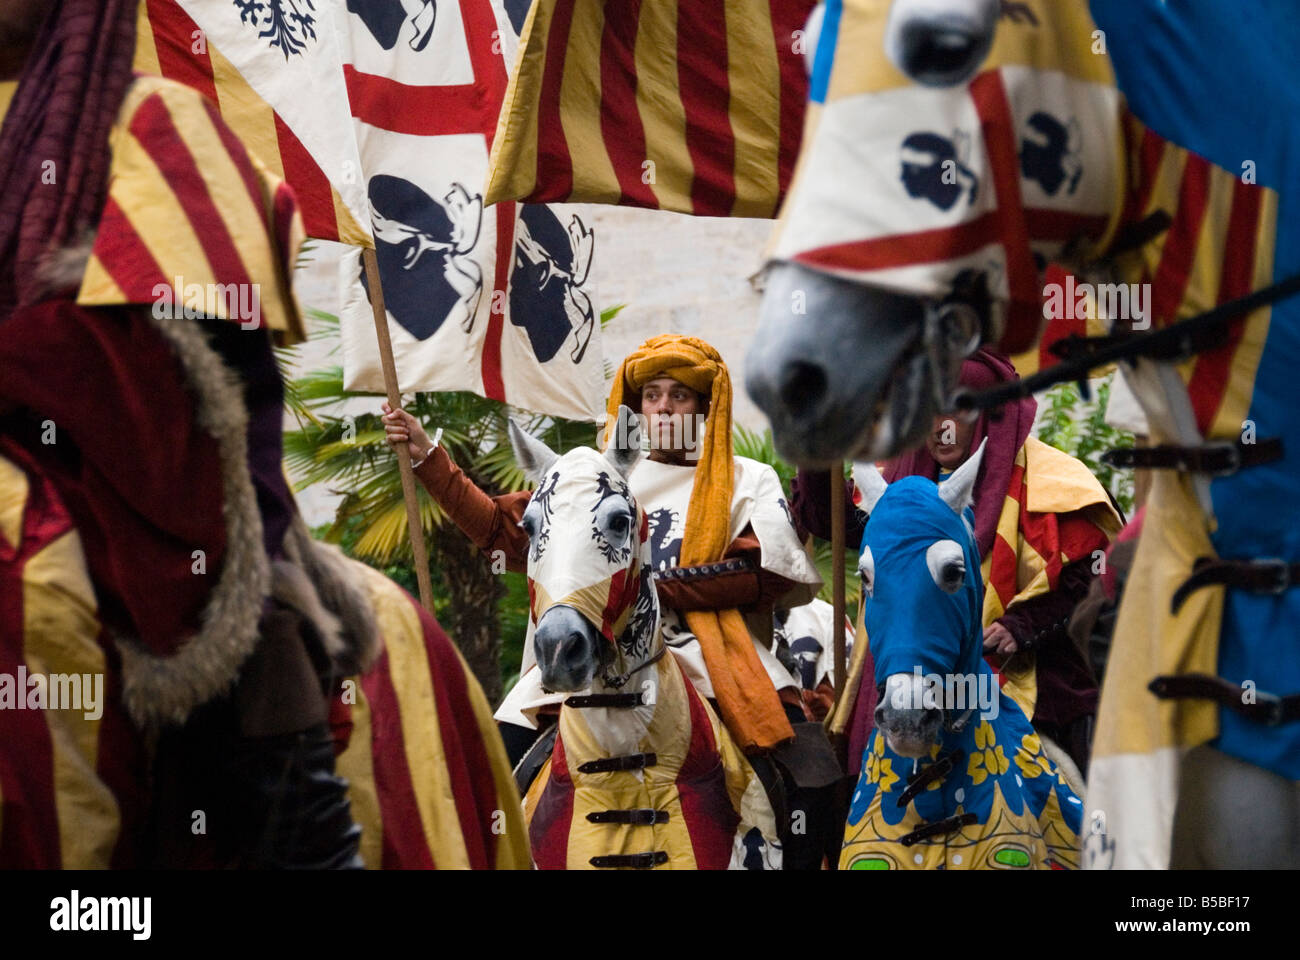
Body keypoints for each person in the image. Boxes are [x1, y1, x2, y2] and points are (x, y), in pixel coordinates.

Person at [0, 0, 526, 869]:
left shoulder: (150, 124)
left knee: (239, 610)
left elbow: (197, 379)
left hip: (142, 495)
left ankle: (300, 825)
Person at [386, 334, 846, 867]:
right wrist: (430, 461)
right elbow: (503, 532)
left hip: (711, 657)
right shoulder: (594, 479)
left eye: (680, 395)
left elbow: (765, 572)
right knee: (483, 776)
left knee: (810, 776)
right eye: (652, 396)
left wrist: (643, 584)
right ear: (636, 408)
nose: (665, 407)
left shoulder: (748, 478)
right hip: (590, 644)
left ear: (704, 406)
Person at [791, 348, 1121, 775]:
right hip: (902, 681)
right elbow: (832, 524)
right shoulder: (898, 480)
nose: (939, 428)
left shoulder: (1056, 481)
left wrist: (1024, 624)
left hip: (1020, 684)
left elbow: (1095, 576)